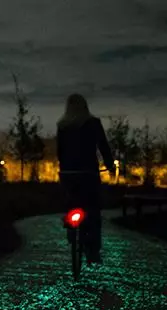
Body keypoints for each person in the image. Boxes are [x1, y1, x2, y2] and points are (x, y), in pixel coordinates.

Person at [56, 93, 115, 265]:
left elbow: (60, 151)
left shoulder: (62, 125)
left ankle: (69, 224)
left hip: (68, 173)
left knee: (70, 199)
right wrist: (110, 165)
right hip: (88, 172)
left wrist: (64, 167)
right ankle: (93, 251)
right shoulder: (93, 123)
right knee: (93, 209)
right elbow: (103, 146)